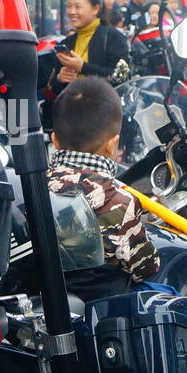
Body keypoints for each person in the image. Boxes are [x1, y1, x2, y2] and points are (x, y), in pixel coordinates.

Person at [47, 77, 159, 297]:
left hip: (49, 302)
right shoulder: (118, 201)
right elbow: (146, 268)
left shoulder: (36, 187)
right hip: (102, 309)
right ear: (112, 145)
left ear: (55, 140)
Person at [47, 0, 131, 91]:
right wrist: (60, 79)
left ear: (95, 9)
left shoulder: (113, 38)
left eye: (78, 7)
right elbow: (51, 87)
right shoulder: (66, 43)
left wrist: (82, 67)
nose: (72, 12)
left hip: (104, 106)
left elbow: (121, 77)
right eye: (69, 6)